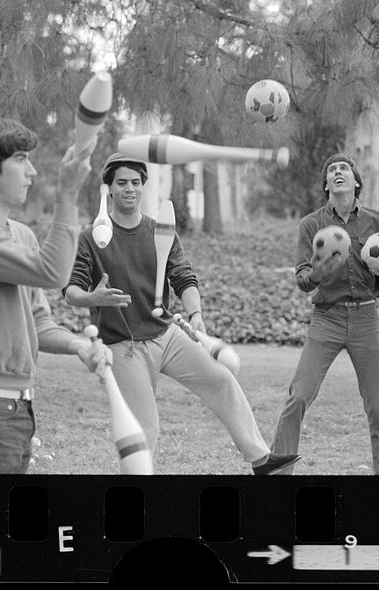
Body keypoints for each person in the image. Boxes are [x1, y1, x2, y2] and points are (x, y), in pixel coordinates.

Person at [62, 152, 299, 475]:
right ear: (109, 189)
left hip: (167, 334)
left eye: (136, 182)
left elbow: (184, 277)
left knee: (221, 380)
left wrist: (196, 313)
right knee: (145, 429)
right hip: (123, 345)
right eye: (122, 183)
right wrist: (93, 297)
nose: (130, 189)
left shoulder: (160, 231)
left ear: (143, 187)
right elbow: (70, 292)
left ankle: (261, 461)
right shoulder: (91, 238)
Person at [0, 115, 112, 474]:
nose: (31, 171)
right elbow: (53, 272)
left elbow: (38, 321)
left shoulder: (21, 235)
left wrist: (78, 345)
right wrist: (68, 194)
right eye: (20, 159)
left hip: (12, 413)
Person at [271, 152, 379, 475]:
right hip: (327, 318)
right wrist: (319, 270)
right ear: (327, 184)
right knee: (298, 397)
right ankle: (276, 478)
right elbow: (303, 280)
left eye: (344, 168)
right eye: (331, 170)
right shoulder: (312, 225)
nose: (337, 172)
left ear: (356, 181)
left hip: (365, 319)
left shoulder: (378, 222)